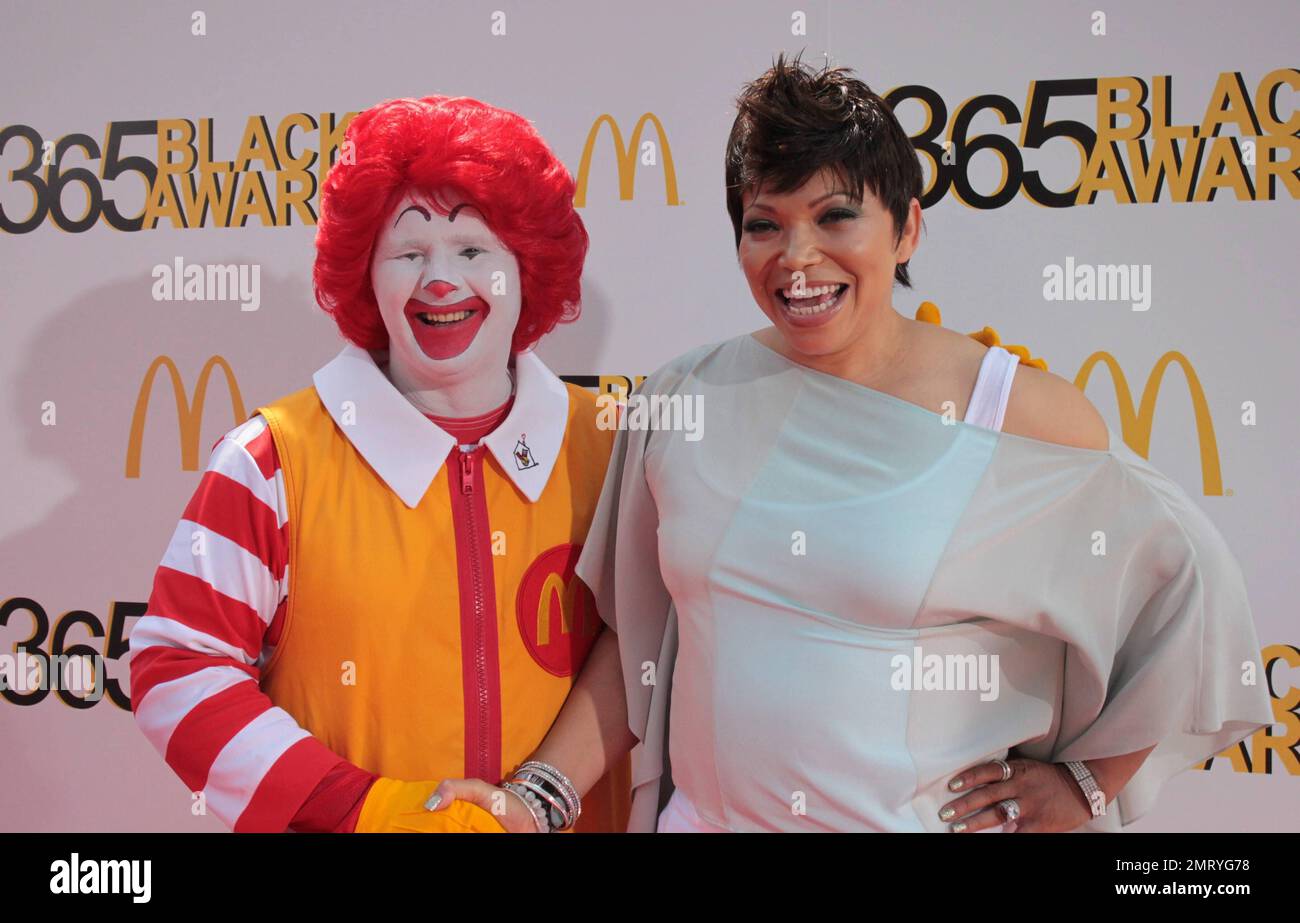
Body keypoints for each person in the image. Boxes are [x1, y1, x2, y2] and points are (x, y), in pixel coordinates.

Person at [431, 53, 1274, 833]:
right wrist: (534, 798)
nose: (799, 258)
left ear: (907, 230)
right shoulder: (682, 396)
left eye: (836, 216)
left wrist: (1090, 785)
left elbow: (1189, 592)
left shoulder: (1014, 413)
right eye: (765, 224)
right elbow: (644, 645)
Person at [128, 95, 630, 833]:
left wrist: (537, 800)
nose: (440, 279)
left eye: (472, 250)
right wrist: (374, 816)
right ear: (366, 272)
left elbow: (655, 636)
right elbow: (178, 668)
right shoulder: (272, 462)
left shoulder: (615, 448)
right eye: (408, 251)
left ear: (527, 267)